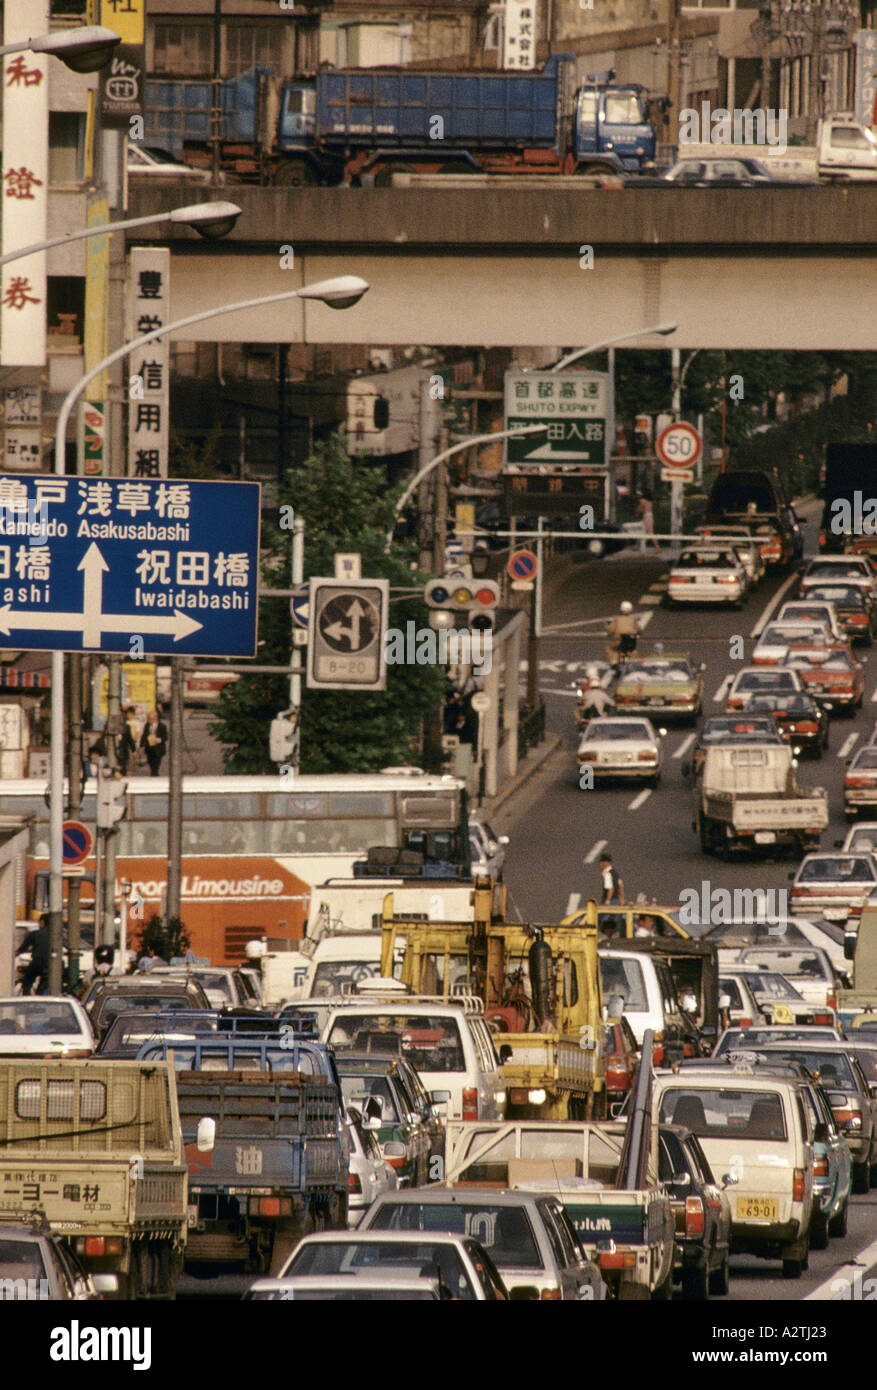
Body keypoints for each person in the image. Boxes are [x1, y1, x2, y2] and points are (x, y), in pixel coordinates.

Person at [16, 915, 51, 995]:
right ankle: (41, 994)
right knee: (46, 982)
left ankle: (27, 999)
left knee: (27, 983)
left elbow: (23, 947)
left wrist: (16, 953)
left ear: (42, 922)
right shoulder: (56, 936)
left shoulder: (35, 934)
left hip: (37, 962)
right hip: (50, 964)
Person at [606, 601, 641, 667]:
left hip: (619, 640)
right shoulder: (633, 620)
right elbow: (640, 630)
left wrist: (609, 634)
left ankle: (614, 662)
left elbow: (610, 631)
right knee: (632, 650)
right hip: (630, 640)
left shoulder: (617, 620)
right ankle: (636, 663)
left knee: (610, 648)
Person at [140, 709, 168, 777]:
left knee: (156, 765)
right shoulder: (147, 725)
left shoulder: (162, 726)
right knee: (151, 763)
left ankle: (155, 775)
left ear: (156, 718)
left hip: (158, 749)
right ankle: (153, 774)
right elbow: (144, 736)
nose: (150, 721)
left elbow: (165, 737)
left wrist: (158, 739)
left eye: (151, 719)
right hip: (149, 748)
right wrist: (141, 746)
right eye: (149, 719)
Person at [118, 706, 139, 775]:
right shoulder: (109, 726)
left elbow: (130, 739)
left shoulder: (126, 726)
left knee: (127, 768)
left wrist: (134, 751)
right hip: (114, 751)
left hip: (124, 751)